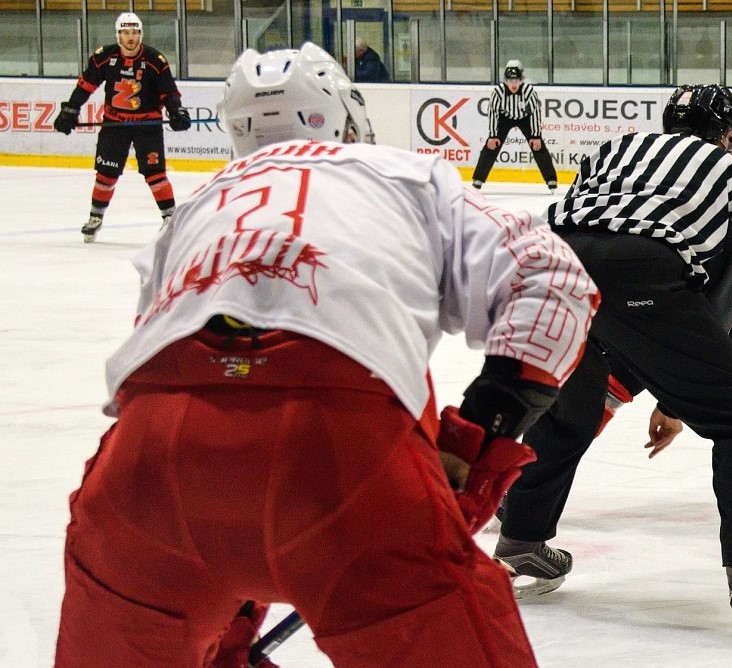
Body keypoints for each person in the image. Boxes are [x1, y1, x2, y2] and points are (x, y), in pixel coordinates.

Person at [53, 43, 598, 667]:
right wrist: (483, 431)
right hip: (342, 456)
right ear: (345, 112)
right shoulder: (407, 177)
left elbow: (180, 375)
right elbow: (554, 282)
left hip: (142, 471)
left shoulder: (196, 209)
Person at [496, 84, 732, 644]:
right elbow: (722, 294)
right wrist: (679, 395)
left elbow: (588, 225)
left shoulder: (620, 146)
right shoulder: (731, 176)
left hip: (550, 259)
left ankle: (520, 544)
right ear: (729, 134)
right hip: (640, 266)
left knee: (568, 412)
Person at [52, 12, 191, 243]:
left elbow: (169, 92)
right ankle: (95, 217)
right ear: (118, 34)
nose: (130, 37)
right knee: (106, 174)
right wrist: (71, 109)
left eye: (134, 32)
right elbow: (86, 85)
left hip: (148, 125)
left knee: (155, 174)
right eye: (125, 32)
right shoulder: (104, 57)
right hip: (115, 124)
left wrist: (176, 110)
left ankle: (170, 219)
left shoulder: (155, 60)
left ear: (140, 34)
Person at [471, 60, 558, 193]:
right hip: (505, 118)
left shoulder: (529, 91)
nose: (513, 84)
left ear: (521, 80)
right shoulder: (498, 92)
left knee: (538, 145)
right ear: (506, 81)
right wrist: (493, 135)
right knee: (491, 146)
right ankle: (478, 179)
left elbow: (534, 113)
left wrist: (535, 136)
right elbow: (493, 113)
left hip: (525, 118)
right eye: (510, 81)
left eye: (516, 81)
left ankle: (551, 180)